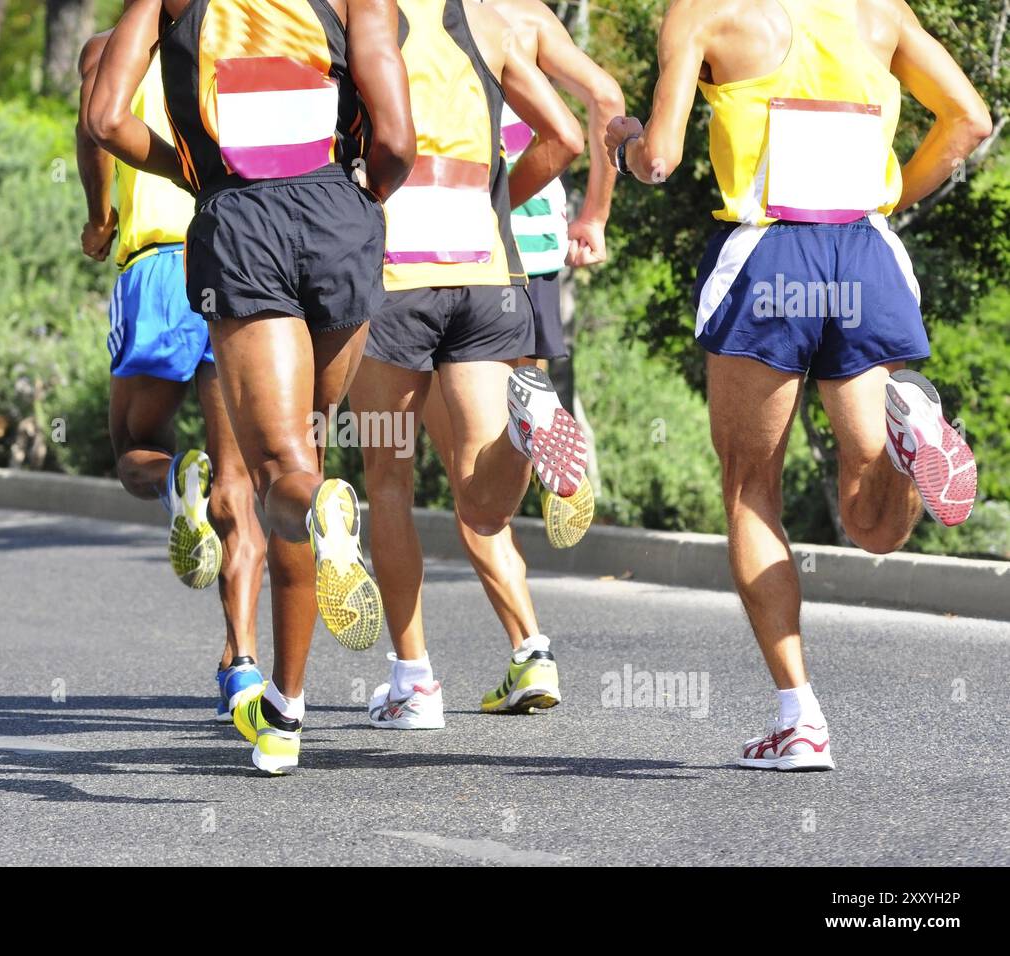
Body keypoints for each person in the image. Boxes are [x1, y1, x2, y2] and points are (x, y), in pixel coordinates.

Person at [605, 0, 989, 770]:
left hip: (770, 256)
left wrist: (617, 140)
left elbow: (660, 159)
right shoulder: (881, 11)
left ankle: (801, 718)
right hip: (866, 253)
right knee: (874, 522)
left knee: (751, 490)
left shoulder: (706, 14)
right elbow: (971, 122)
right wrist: (892, 201)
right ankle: (909, 430)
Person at [88, 0, 416, 774]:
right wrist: (361, 200)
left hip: (239, 217)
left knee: (279, 475)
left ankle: (317, 533)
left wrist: (186, 168)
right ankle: (288, 707)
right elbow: (398, 140)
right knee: (308, 452)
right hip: (341, 214)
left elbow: (106, 116)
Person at [348, 0, 587, 730]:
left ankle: (414, 682)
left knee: (388, 476)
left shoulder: (355, 16)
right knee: (483, 500)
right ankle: (529, 425)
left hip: (394, 282)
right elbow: (567, 137)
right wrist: (493, 208)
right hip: (486, 279)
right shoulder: (489, 21)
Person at [417, 0, 625, 718]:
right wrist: (594, 211)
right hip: (534, 245)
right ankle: (528, 653)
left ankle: (518, 654)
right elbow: (605, 98)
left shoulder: (408, 17)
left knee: (465, 481)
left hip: (448, 240)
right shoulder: (525, 16)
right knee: (502, 433)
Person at [76, 8, 266, 722]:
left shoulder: (107, 47)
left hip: (156, 263)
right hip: (241, 254)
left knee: (133, 449)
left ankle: (172, 482)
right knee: (240, 484)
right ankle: (242, 666)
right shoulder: (249, 36)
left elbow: (97, 126)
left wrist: (99, 218)